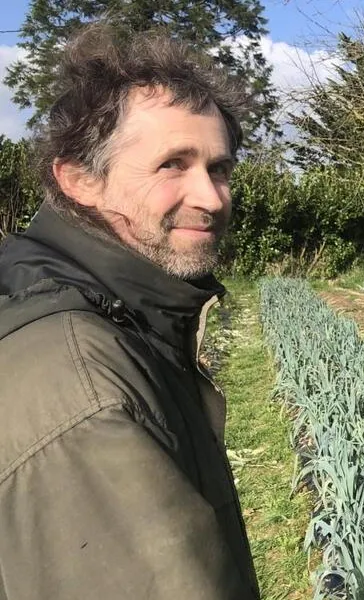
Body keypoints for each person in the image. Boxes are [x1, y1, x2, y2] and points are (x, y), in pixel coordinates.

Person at [0, 22, 260, 600]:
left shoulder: (114, 312)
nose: (211, 197)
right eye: (174, 164)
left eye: (219, 168)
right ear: (79, 181)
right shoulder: (84, 390)